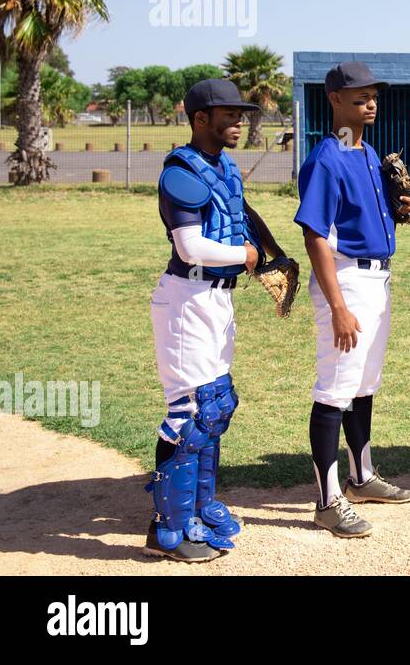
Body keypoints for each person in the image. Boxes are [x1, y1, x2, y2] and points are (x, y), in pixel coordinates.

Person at [146, 79, 267, 562]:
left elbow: (238, 225)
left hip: (216, 298)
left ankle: (198, 505)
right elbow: (190, 246)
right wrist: (247, 256)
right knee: (189, 413)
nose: (239, 120)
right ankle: (167, 527)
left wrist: (266, 257)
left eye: (241, 112)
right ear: (200, 118)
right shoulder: (181, 170)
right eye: (229, 113)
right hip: (187, 298)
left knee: (215, 407)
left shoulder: (225, 167)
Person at [296, 61, 410, 538]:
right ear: (334, 100)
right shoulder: (326, 158)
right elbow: (316, 237)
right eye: (358, 95)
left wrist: (397, 208)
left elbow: (363, 214)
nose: (369, 102)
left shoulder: (365, 153)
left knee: (364, 385)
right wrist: (339, 307)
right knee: (335, 389)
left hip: (376, 280)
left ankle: (361, 476)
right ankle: (328, 502)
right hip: (344, 282)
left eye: (373, 94)